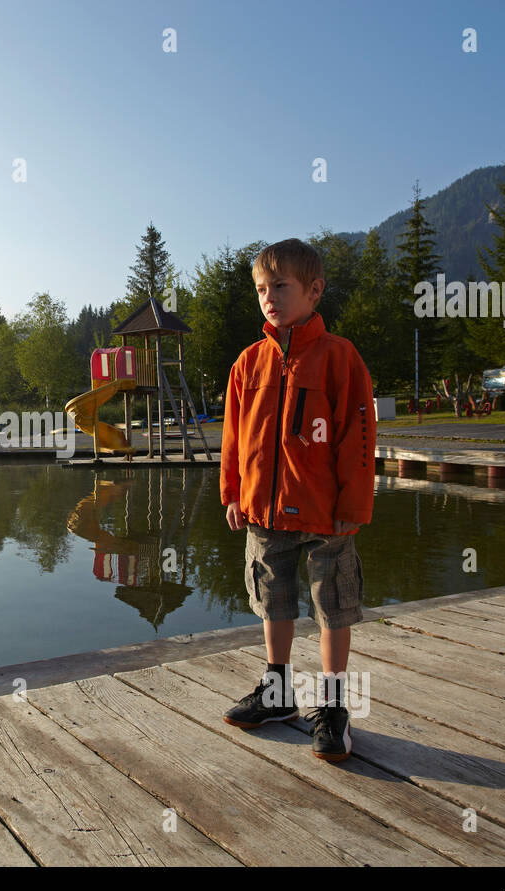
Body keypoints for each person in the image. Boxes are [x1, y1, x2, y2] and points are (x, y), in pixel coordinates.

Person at [218, 238, 376, 762]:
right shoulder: (248, 363)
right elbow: (234, 436)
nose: (270, 297)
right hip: (264, 512)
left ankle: (331, 706)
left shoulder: (339, 357)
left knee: (332, 604)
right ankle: (278, 690)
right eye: (262, 289)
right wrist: (233, 491)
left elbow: (358, 435)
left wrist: (353, 505)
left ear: (314, 290)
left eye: (280, 286)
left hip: (325, 513)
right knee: (273, 598)